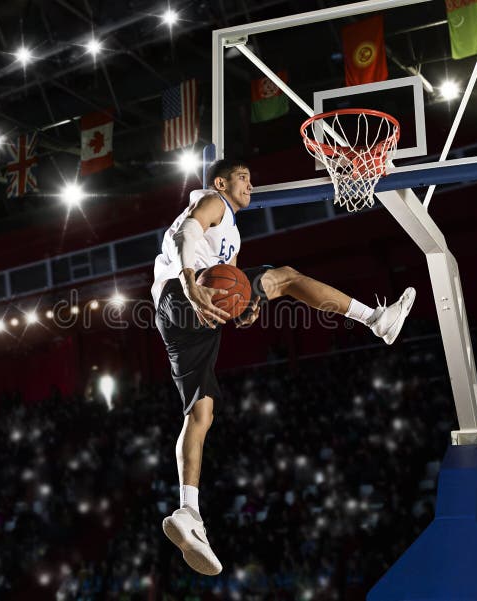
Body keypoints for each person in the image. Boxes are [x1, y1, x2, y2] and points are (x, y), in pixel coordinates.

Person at [152, 158, 415, 576]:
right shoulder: (211, 200)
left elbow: (230, 285)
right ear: (221, 182)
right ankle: (375, 319)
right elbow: (188, 232)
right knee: (288, 277)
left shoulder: (229, 234)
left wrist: (246, 307)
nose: (250, 185)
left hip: (175, 315)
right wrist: (189, 281)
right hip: (188, 290)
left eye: (251, 179)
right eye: (243, 177)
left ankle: (189, 512)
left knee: (200, 413)